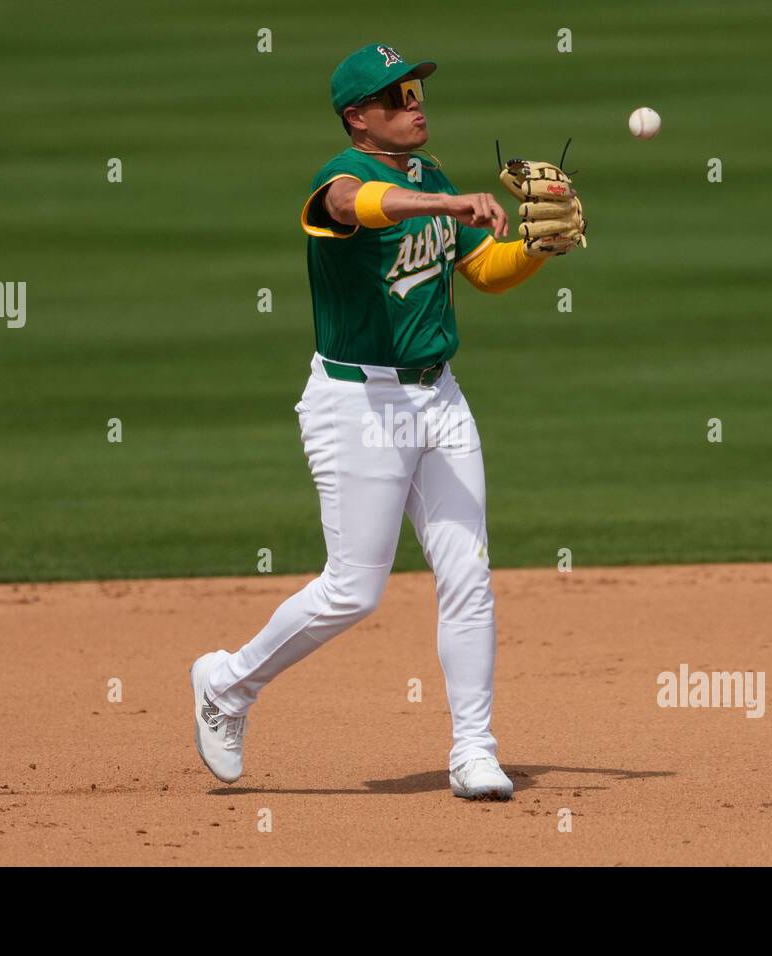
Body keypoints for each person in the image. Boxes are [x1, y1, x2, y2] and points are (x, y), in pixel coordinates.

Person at [190, 42, 586, 801]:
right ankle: (227, 685)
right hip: (359, 403)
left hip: (441, 400)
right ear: (358, 118)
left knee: (468, 574)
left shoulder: (428, 175)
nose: (415, 104)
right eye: (397, 97)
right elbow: (352, 207)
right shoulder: (341, 180)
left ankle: (473, 750)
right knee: (352, 592)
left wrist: (537, 250)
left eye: (416, 90)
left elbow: (485, 273)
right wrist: (448, 203)